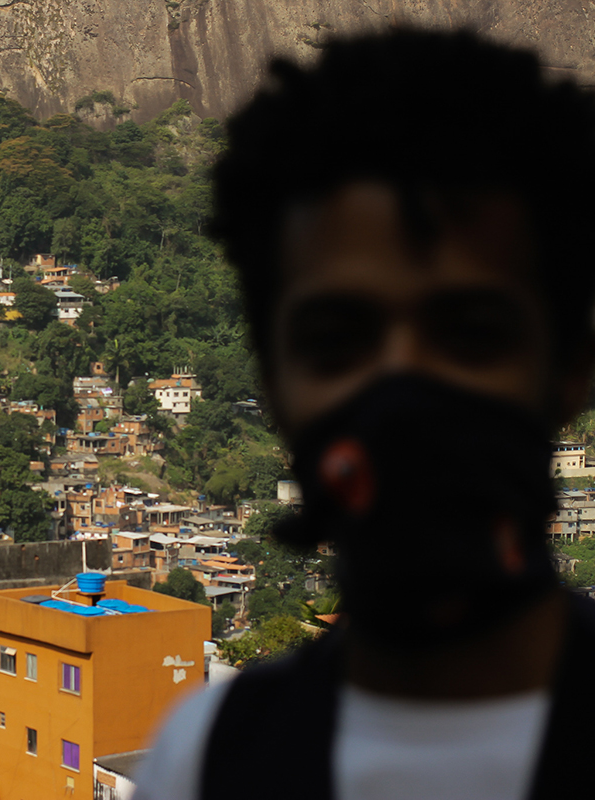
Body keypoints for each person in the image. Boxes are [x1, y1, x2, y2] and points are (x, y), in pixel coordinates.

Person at [134, 29, 595, 800]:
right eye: (338, 339)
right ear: (274, 381)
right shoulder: (208, 763)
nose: (403, 390)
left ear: (571, 371)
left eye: (469, 333)